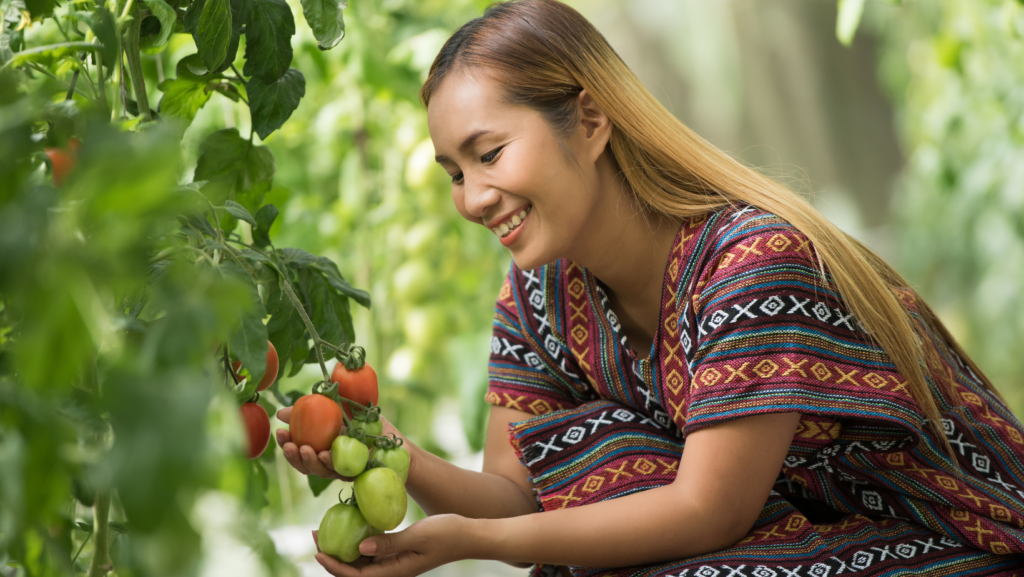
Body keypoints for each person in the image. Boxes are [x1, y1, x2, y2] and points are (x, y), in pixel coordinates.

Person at [274, 1, 1024, 575]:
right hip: (801, 538)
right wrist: (381, 447)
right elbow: (514, 493)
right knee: (596, 461)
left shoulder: (752, 261)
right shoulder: (538, 295)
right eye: (455, 174)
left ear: (591, 120)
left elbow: (708, 511)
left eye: (490, 154)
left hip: (948, 542)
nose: (472, 197)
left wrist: (470, 543)